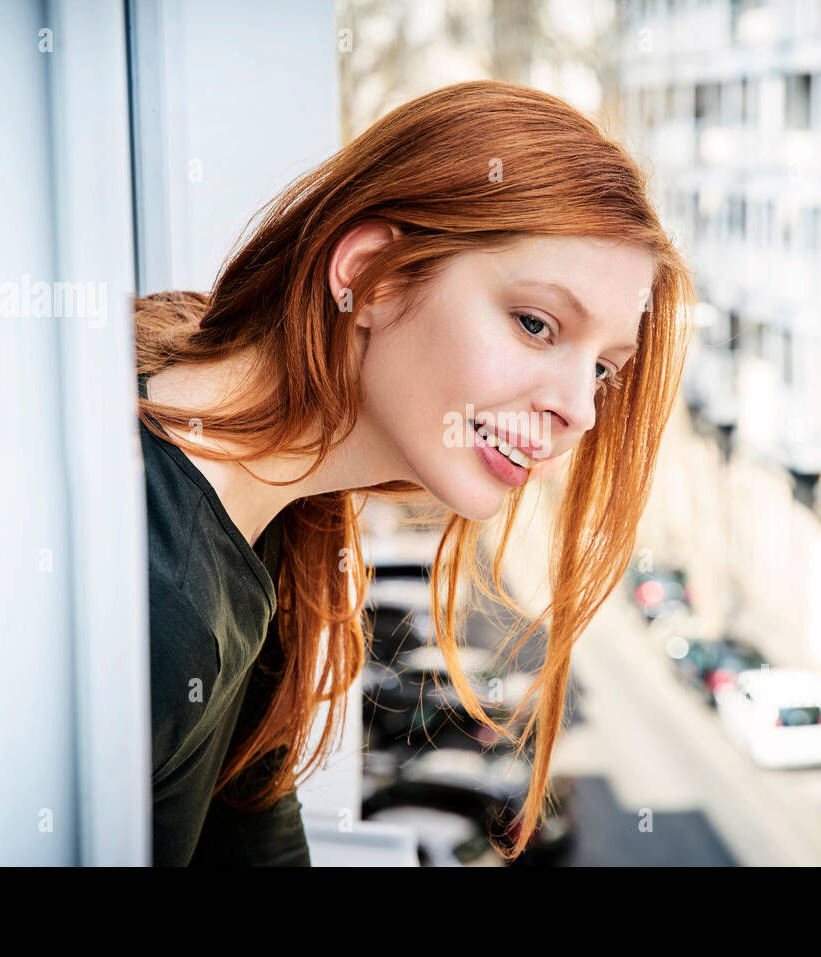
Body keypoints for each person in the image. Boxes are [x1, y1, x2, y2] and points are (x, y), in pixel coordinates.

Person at [134, 79, 696, 865]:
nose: (580, 411)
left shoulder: (275, 513)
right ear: (372, 275)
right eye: (536, 324)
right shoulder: (155, 579)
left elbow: (254, 832)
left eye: (603, 368)